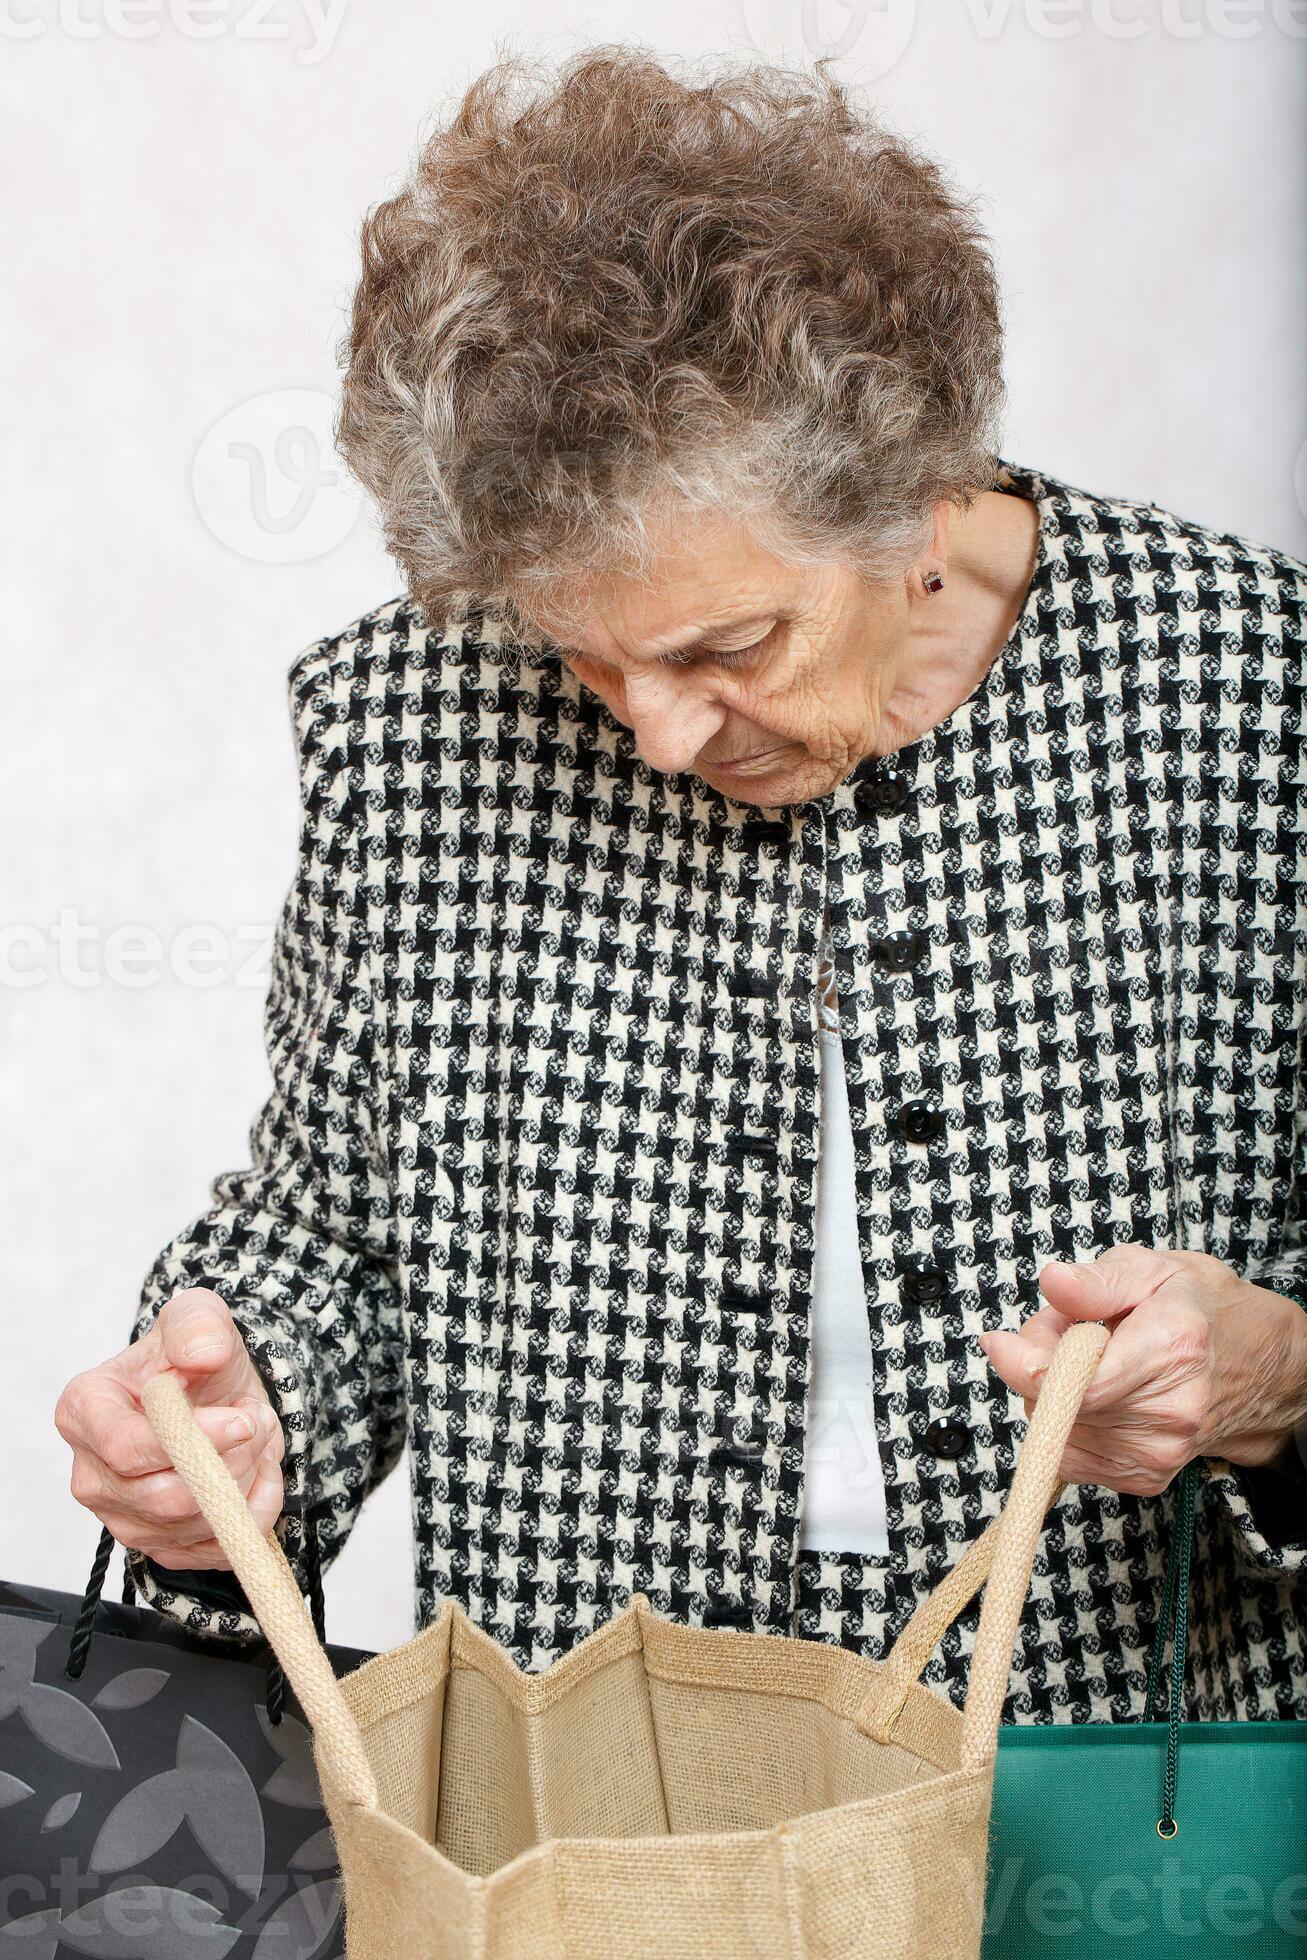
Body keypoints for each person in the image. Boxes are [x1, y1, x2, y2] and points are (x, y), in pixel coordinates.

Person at [56, 46, 1307, 1720]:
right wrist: (229, 1412)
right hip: (585, 1772)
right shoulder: (408, 719)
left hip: (1120, 1774)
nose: (652, 738)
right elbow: (332, 1237)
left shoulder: (1244, 682)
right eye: (587, 662)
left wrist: (1266, 1378)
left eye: (731, 647)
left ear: (917, 496)